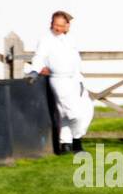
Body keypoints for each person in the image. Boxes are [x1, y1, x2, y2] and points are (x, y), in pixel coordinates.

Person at [30, 10, 94, 154]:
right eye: (55, 25)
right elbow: (38, 57)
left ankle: (65, 144)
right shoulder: (46, 39)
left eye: (61, 25)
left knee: (82, 110)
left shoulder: (69, 39)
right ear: (51, 24)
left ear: (67, 26)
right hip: (59, 79)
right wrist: (37, 69)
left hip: (75, 78)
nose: (57, 28)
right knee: (74, 113)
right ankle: (77, 142)